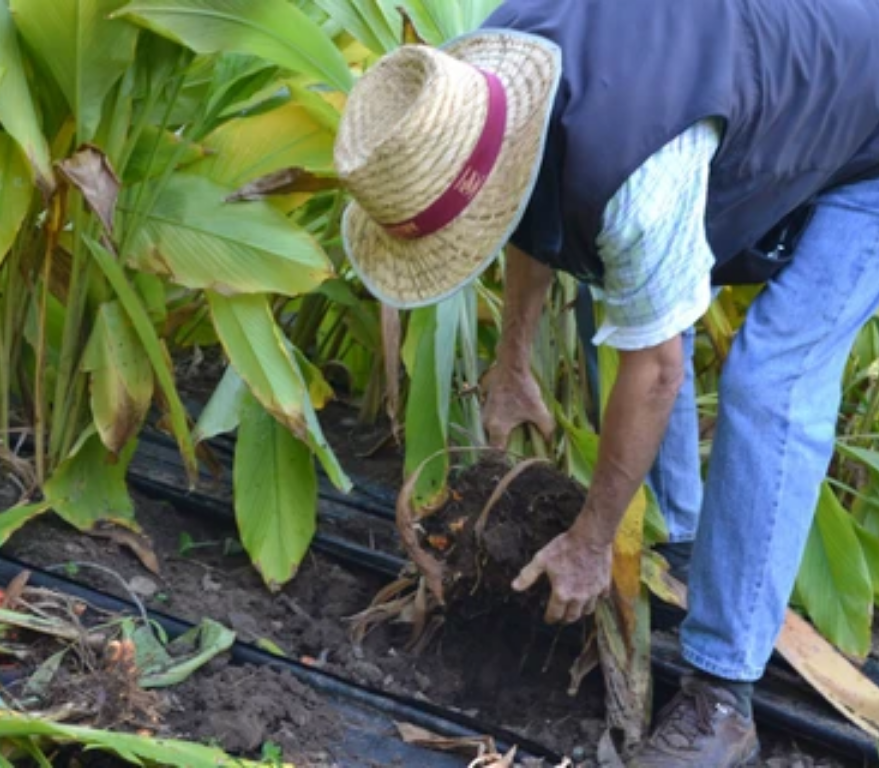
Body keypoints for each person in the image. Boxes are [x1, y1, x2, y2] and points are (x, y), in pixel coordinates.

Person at [333, 0, 879, 765]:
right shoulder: (486, 78)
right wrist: (512, 362)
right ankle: (680, 546)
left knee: (771, 378)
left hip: (869, 146)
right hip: (775, 98)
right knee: (626, 288)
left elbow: (656, 371)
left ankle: (723, 697)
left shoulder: (637, 179)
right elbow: (531, 206)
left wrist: (592, 542)